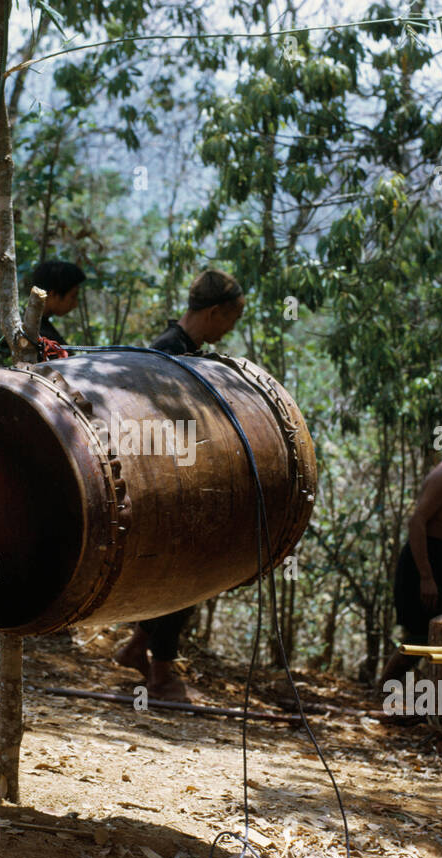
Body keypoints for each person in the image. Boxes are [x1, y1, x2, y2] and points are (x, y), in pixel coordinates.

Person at [113, 269, 246, 701]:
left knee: (186, 571)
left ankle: (138, 647)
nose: (231, 329)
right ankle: (162, 672)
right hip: (164, 481)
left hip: (178, 475)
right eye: (231, 318)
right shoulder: (167, 355)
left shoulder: (184, 350)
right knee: (187, 573)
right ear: (213, 312)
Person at [385, 455, 442, 682]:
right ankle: (383, 690)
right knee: (420, 636)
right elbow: (416, 521)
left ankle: (433, 701)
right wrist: (426, 576)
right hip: (423, 559)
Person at [30, 259, 86, 345]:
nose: (75, 304)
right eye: (73, 296)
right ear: (53, 295)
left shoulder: (42, 328)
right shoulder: (32, 334)